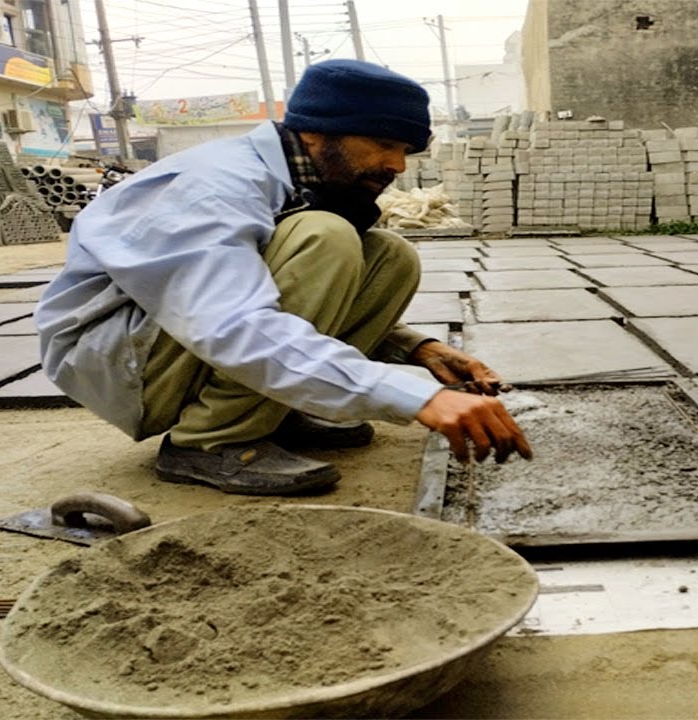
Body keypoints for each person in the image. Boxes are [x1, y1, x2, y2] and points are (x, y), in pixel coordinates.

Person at [35, 59, 532, 496]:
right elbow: (232, 324)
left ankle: (278, 410)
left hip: (173, 332)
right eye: (383, 144)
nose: (397, 165)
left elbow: (264, 289)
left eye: (404, 150)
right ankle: (212, 440)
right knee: (326, 237)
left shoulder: (297, 177)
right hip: (121, 364)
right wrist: (417, 396)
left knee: (389, 255)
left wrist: (413, 349)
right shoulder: (215, 188)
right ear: (317, 131)